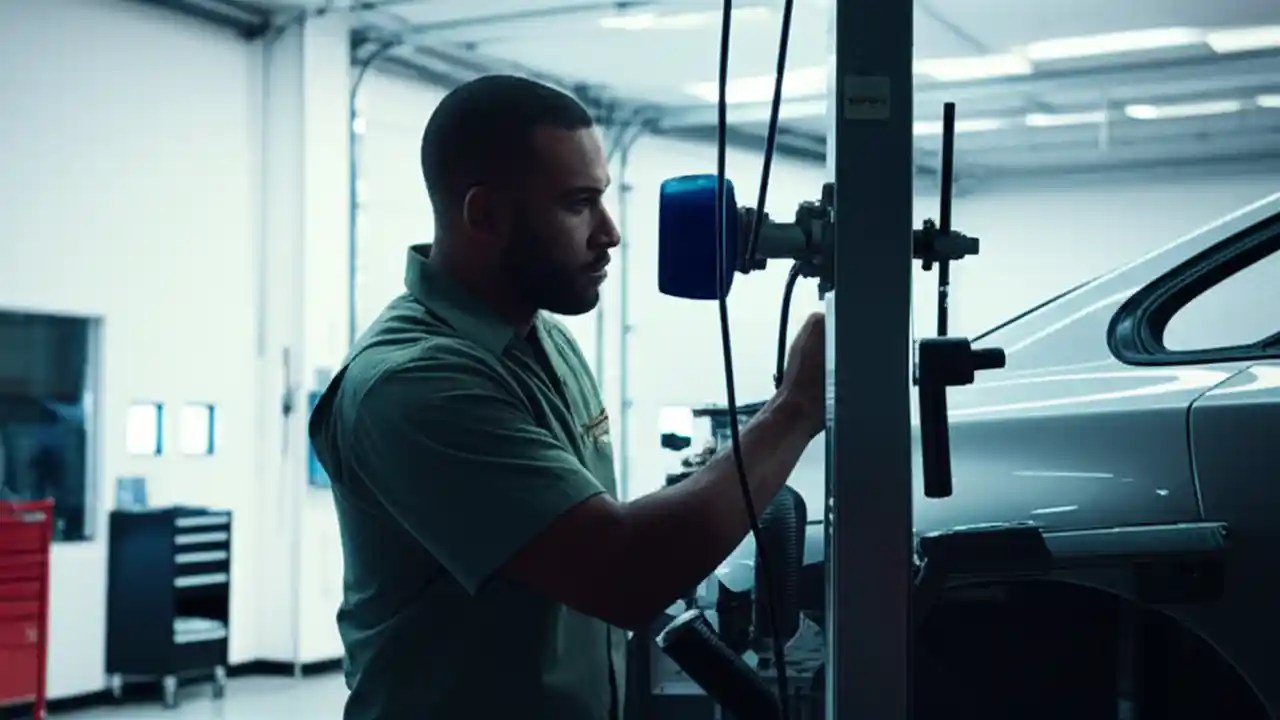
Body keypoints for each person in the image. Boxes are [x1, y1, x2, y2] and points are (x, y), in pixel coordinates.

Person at [307, 74, 827, 720]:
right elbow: (622, 570)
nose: (609, 232)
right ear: (485, 215)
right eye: (579, 204)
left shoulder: (545, 339)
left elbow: (587, 528)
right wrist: (796, 409)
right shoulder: (413, 385)